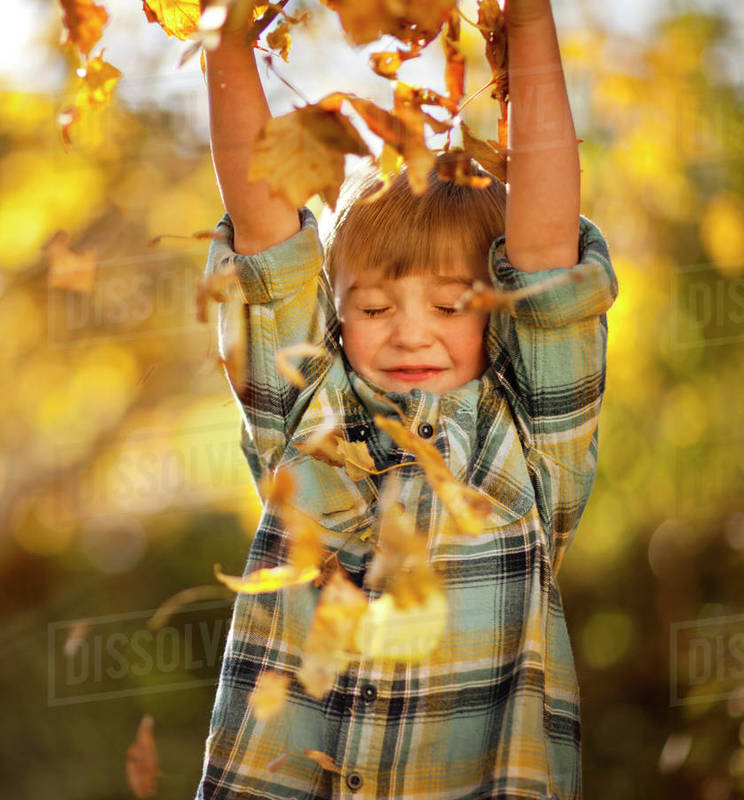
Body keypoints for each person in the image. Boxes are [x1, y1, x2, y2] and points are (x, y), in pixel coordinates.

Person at [196, 1, 619, 798]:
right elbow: (266, 242)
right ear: (337, 313)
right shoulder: (308, 417)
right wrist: (224, 31)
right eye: (375, 308)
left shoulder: (531, 447)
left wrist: (528, 25)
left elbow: (547, 255)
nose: (410, 334)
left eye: (451, 305)